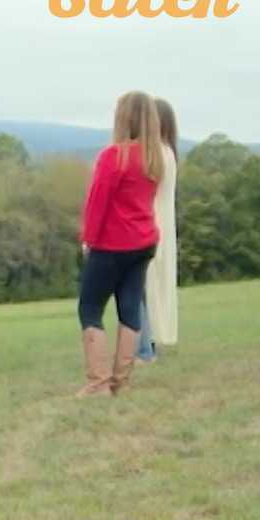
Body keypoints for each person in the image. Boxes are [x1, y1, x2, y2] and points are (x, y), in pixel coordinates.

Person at [77, 91, 164, 397]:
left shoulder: (113, 156)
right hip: (144, 241)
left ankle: (98, 381)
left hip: (112, 243)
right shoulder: (155, 158)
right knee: (130, 307)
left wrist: (88, 239)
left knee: (90, 308)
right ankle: (121, 381)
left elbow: (97, 203)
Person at [138, 97, 180, 362]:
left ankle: (145, 346)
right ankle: (148, 342)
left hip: (151, 224)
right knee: (150, 287)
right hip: (162, 224)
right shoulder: (169, 153)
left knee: (143, 288)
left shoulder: (156, 155)